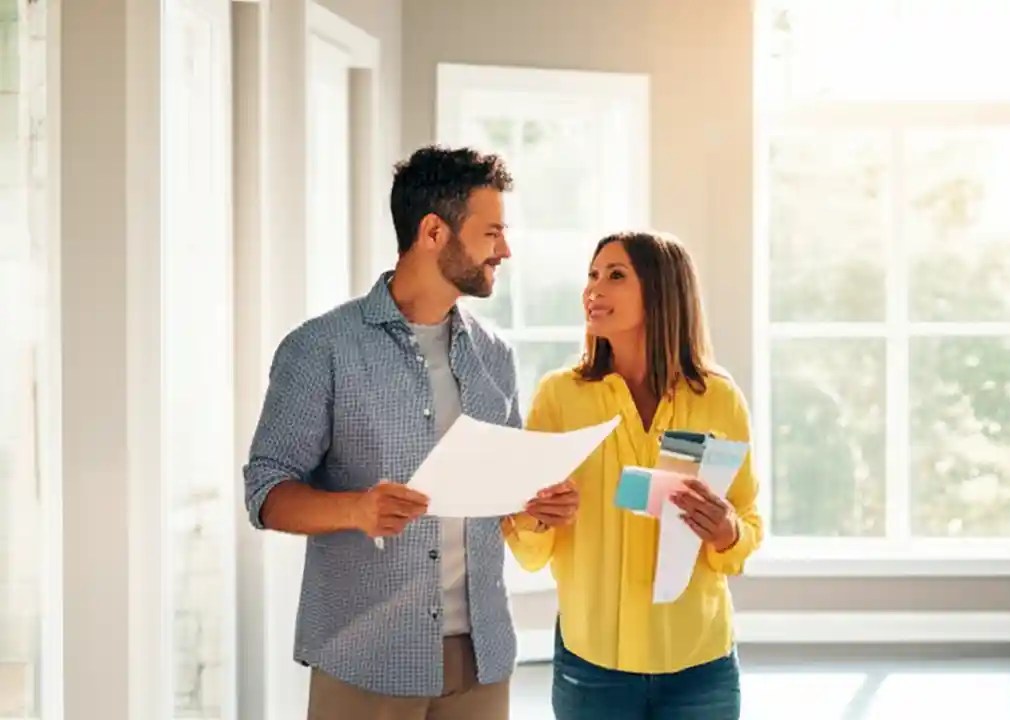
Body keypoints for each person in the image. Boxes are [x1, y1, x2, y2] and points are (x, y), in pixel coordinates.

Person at [244, 145, 532, 719]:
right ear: (433, 232)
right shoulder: (320, 348)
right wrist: (356, 509)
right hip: (366, 659)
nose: (504, 250)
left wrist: (536, 504)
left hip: (482, 659)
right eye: (491, 232)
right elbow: (266, 493)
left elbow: (504, 494)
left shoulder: (494, 356)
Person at [503, 231, 764, 720]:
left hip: (699, 665)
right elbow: (527, 547)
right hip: (593, 666)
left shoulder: (719, 398)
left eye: (615, 275)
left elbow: (747, 523)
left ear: (661, 291)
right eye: (592, 275)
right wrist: (537, 517)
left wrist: (727, 531)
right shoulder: (559, 397)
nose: (593, 289)